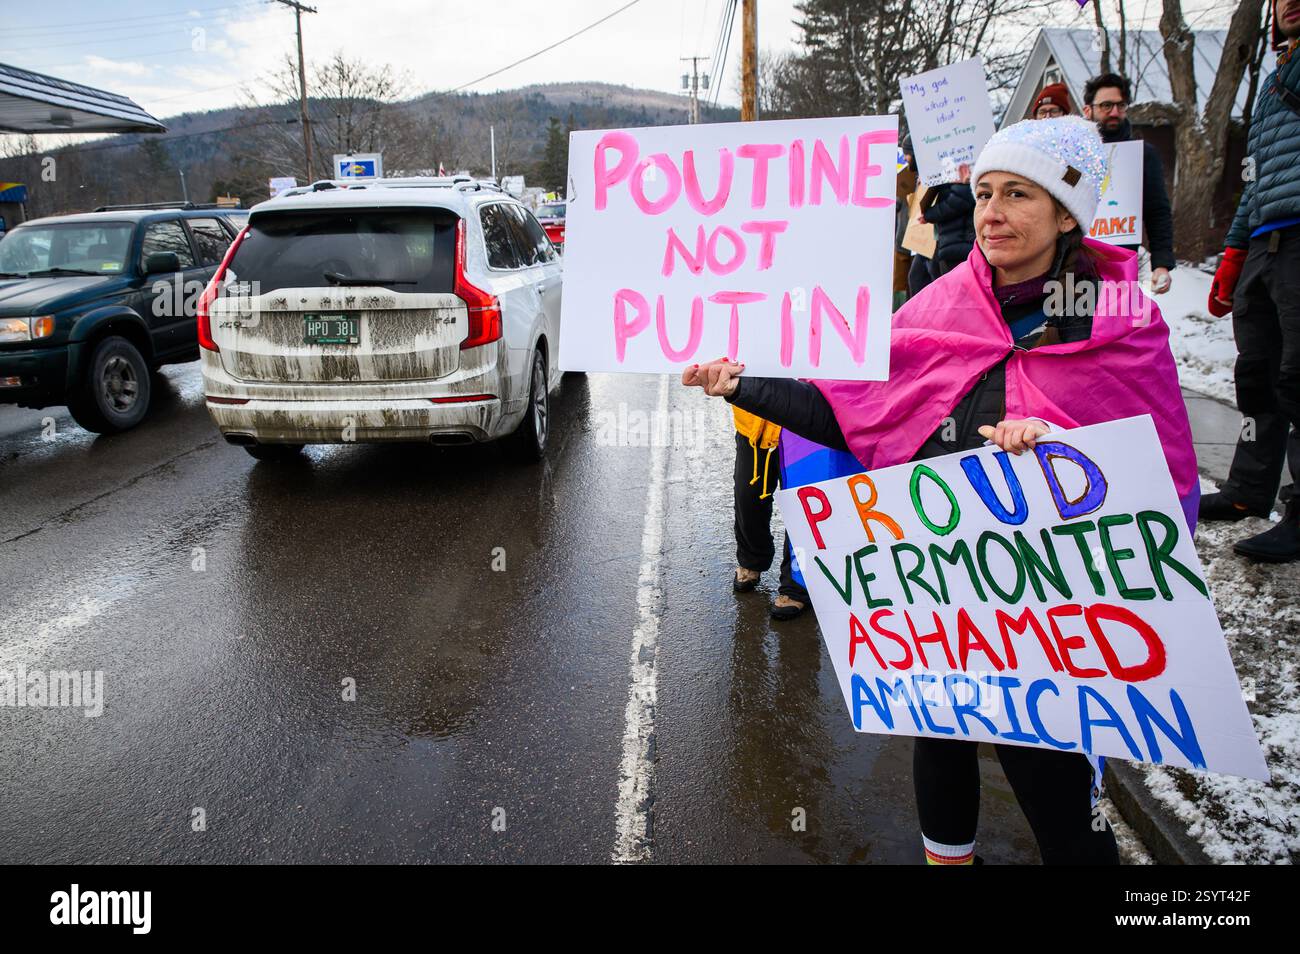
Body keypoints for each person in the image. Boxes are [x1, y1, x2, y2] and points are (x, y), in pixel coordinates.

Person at [682, 116, 1198, 865]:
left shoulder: (1123, 320)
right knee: (940, 739)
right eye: (983, 192)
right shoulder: (939, 305)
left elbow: (1153, 478)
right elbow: (851, 411)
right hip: (947, 592)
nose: (991, 212)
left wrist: (1059, 449)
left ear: (1065, 214)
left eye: (1018, 194)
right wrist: (743, 386)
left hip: (1055, 609)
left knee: (1050, 776)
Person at [1200, 0, 1300, 563]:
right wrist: (1237, 246)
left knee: (1299, 375)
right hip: (1267, 239)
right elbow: (1255, 176)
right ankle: (1247, 491)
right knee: (1257, 373)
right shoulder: (1274, 76)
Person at [1082, 72, 1175, 295]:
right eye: (1106, 105)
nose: (1114, 112)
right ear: (1088, 110)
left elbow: (1157, 211)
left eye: (1120, 105)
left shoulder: (1143, 155)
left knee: (1119, 328)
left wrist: (1161, 263)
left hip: (1121, 270)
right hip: (1075, 267)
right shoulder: (1073, 155)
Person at [732, 407, 810, 620]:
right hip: (755, 421)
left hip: (807, 428)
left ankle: (797, 584)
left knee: (803, 507)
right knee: (747, 496)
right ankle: (751, 559)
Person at [917, 163, 976, 279]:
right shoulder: (950, 166)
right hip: (952, 240)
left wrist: (929, 216)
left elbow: (960, 200)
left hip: (960, 242)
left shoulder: (964, 166)